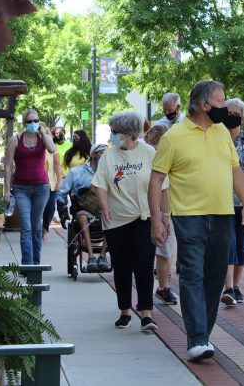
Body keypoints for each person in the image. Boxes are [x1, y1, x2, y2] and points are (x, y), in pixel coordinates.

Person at [148, 80, 244, 362]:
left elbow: (235, 171)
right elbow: (157, 178)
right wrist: (158, 219)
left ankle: (202, 336)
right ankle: (196, 339)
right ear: (205, 105)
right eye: (221, 101)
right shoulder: (174, 136)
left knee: (215, 278)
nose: (226, 106)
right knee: (193, 275)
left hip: (222, 215)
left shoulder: (222, 132)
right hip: (189, 217)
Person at [92, 111, 164, 333]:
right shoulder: (109, 155)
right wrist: (104, 207)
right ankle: (124, 310)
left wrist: (163, 217)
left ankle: (146, 313)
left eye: (115, 132)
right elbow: (100, 184)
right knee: (122, 267)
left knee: (144, 265)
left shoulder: (149, 152)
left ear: (129, 133)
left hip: (143, 217)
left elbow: (162, 185)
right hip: (116, 219)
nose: (112, 135)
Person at [3, 109, 57, 265]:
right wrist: (7, 190)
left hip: (41, 187)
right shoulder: (15, 139)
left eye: (36, 121)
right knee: (26, 226)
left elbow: (53, 150)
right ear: (24, 123)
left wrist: (44, 133)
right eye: (29, 121)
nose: (33, 124)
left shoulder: (43, 137)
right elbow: (8, 166)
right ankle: (27, 265)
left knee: (36, 226)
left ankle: (36, 263)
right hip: (21, 188)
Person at [221, 98, 244, 306]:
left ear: (242, 117)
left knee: (242, 247)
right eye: (227, 113)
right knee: (229, 244)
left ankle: (236, 286)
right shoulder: (217, 138)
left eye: (234, 114)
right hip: (222, 201)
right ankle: (229, 288)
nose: (230, 117)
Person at [57, 143, 111, 271]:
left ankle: (103, 256)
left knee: (112, 217)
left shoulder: (111, 173)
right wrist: (63, 213)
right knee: (82, 216)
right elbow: (61, 193)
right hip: (84, 210)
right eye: (102, 154)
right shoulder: (76, 172)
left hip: (105, 211)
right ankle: (91, 256)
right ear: (93, 155)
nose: (105, 157)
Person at [144, 123, 178, 305]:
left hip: (167, 210)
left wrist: (165, 215)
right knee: (146, 253)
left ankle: (163, 287)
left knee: (165, 250)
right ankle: (145, 290)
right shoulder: (145, 158)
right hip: (145, 211)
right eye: (150, 143)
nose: (153, 147)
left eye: (155, 143)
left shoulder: (171, 156)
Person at [41, 144, 62, 241]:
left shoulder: (52, 150)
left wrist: (59, 181)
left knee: (50, 208)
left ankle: (45, 229)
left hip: (50, 183)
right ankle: (36, 229)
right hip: (37, 183)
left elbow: (57, 165)